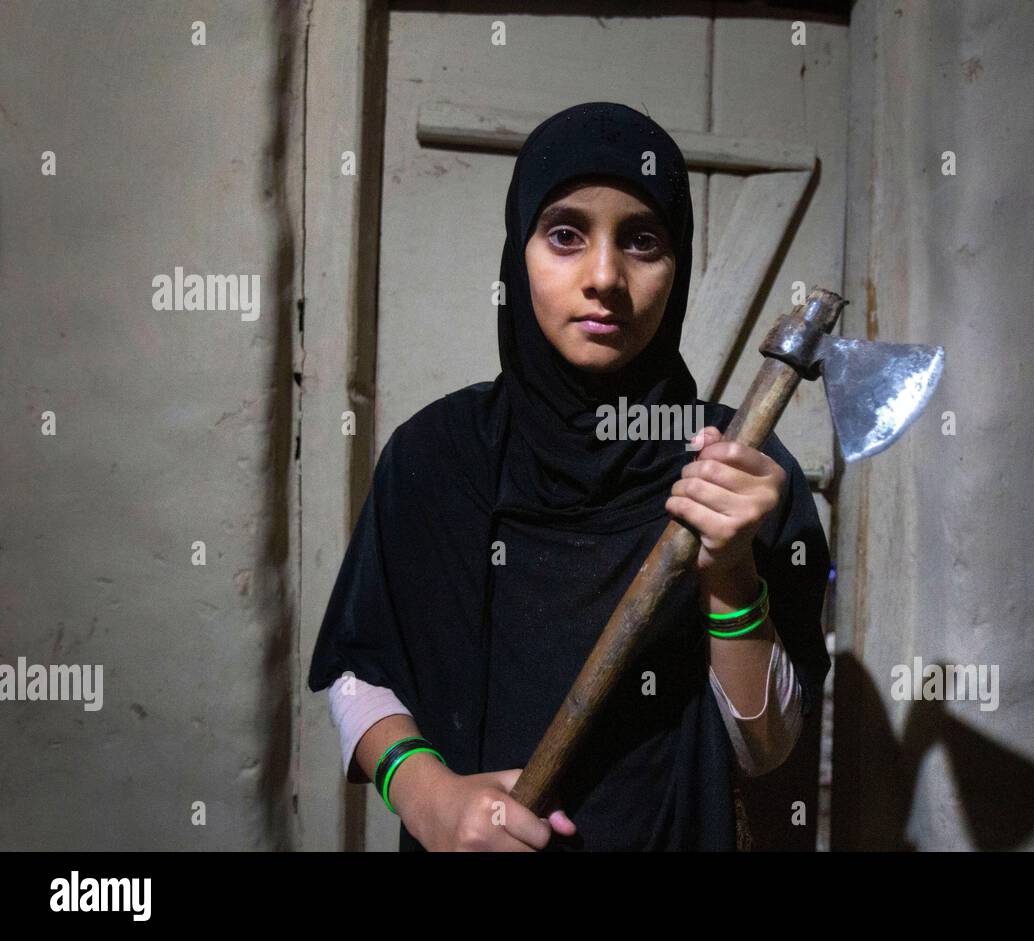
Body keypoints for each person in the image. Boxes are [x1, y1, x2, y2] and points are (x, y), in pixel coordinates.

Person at [307, 101, 831, 852]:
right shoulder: (438, 454)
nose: (605, 276)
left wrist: (732, 570)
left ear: (677, 266)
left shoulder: (738, 468)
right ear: (517, 255)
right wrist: (427, 797)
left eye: (644, 241)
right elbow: (361, 672)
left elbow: (769, 746)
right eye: (565, 234)